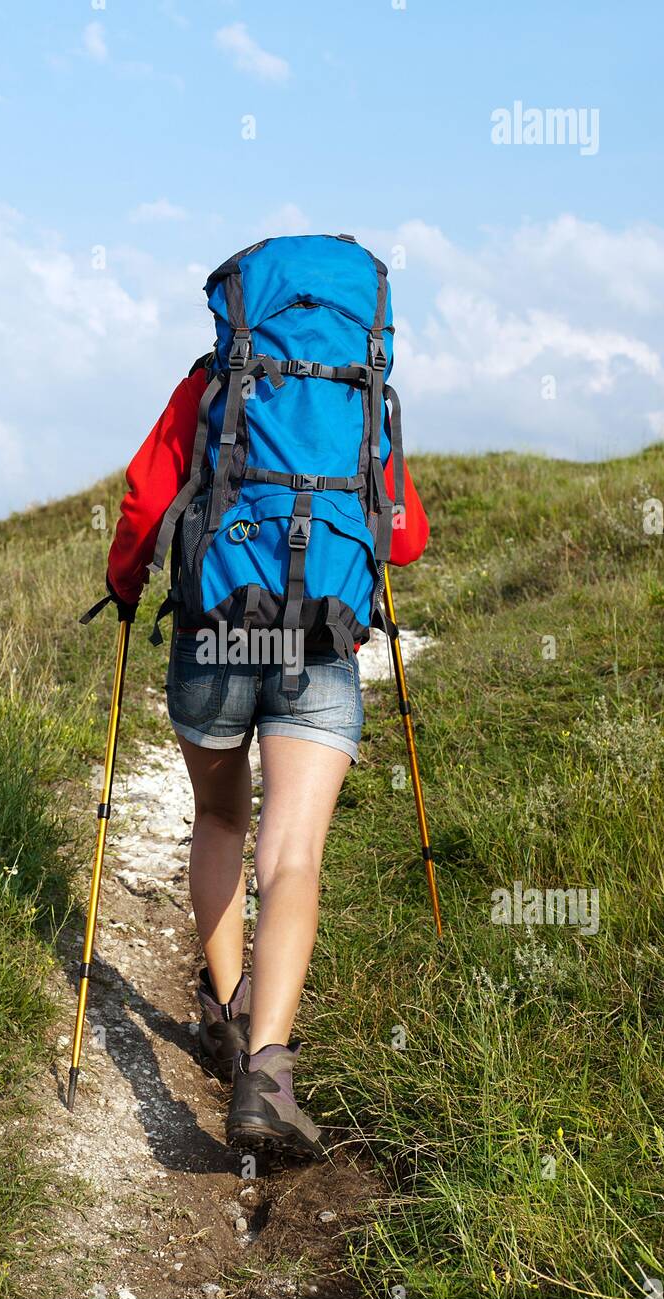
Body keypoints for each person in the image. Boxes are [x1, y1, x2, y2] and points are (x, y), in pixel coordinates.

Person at [105, 354, 428, 1159]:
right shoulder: (359, 396)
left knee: (218, 817)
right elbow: (408, 537)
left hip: (211, 636)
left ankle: (226, 1013)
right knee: (291, 858)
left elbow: (147, 496)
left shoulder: (210, 381)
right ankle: (268, 1078)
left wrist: (124, 581)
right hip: (318, 643)